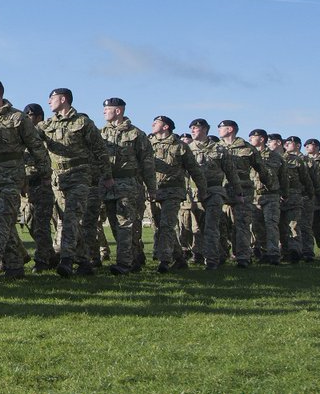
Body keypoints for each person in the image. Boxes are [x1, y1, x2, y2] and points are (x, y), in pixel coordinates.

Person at [0, 80, 49, 280]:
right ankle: (14, 266)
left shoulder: (17, 117)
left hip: (11, 174)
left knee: (4, 218)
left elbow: (36, 146)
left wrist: (45, 173)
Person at [37, 88, 104, 278]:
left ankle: (66, 260)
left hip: (80, 175)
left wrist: (105, 176)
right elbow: (31, 139)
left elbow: (99, 150)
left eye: (52, 98)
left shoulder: (82, 122)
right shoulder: (46, 125)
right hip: (58, 178)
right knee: (67, 219)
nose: (49, 102)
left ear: (63, 99)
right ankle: (84, 261)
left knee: (71, 217)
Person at [99, 98, 155, 276]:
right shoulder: (100, 134)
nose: (104, 112)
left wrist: (151, 188)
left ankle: (123, 264)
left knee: (126, 225)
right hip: (107, 185)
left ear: (118, 111)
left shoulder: (136, 134)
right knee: (115, 225)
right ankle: (134, 258)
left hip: (128, 185)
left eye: (107, 109)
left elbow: (147, 164)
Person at [149, 116, 206, 272]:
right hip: (153, 191)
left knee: (167, 225)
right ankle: (180, 258)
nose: (153, 124)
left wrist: (202, 189)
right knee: (159, 226)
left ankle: (164, 261)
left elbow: (194, 169)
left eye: (157, 122)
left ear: (166, 127)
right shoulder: (148, 145)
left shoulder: (180, 146)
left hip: (173, 191)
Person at [188, 119, 243, 270]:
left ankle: (211, 260)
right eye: (191, 128)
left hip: (214, 192)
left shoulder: (219, 149)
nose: (193, 131)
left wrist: (238, 192)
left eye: (196, 128)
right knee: (198, 228)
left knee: (212, 226)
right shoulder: (187, 149)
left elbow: (231, 172)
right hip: (195, 194)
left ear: (205, 130)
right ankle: (212, 254)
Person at [219, 120, 269, 268]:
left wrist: (270, 186)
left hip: (243, 190)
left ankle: (243, 256)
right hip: (223, 189)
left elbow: (261, 168)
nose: (219, 130)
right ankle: (222, 254)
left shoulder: (247, 148)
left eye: (221, 128)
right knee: (222, 224)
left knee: (241, 224)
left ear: (230, 129)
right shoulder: (216, 147)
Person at [21, 103, 57, 272]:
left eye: (31, 115)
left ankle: (42, 260)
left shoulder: (44, 134)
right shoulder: (22, 135)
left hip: (42, 183)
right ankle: (50, 254)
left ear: (39, 117)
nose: (27, 118)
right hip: (27, 186)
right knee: (30, 222)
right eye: (25, 115)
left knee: (42, 224)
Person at [249, 129, 286, 265]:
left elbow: (283, 176)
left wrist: (284, 193)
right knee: (257, 226)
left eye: (254, 137)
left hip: (271, 195)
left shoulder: (275, 157)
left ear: (262, 139)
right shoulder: (249, 155)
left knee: (271, 224)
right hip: (254, 196)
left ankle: (274, 253)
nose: (251, 139)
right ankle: (263, 252)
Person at [278, 136, 316, 263]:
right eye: (286, 143)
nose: (287, 145)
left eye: (290, 143)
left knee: (295, 225)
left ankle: (297, 251)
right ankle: (285, 252)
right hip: (279, 197)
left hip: (296, 196)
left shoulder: (299, 160)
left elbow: (307, 179)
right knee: (282, 227)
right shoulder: (275, 159)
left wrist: (311, 194)